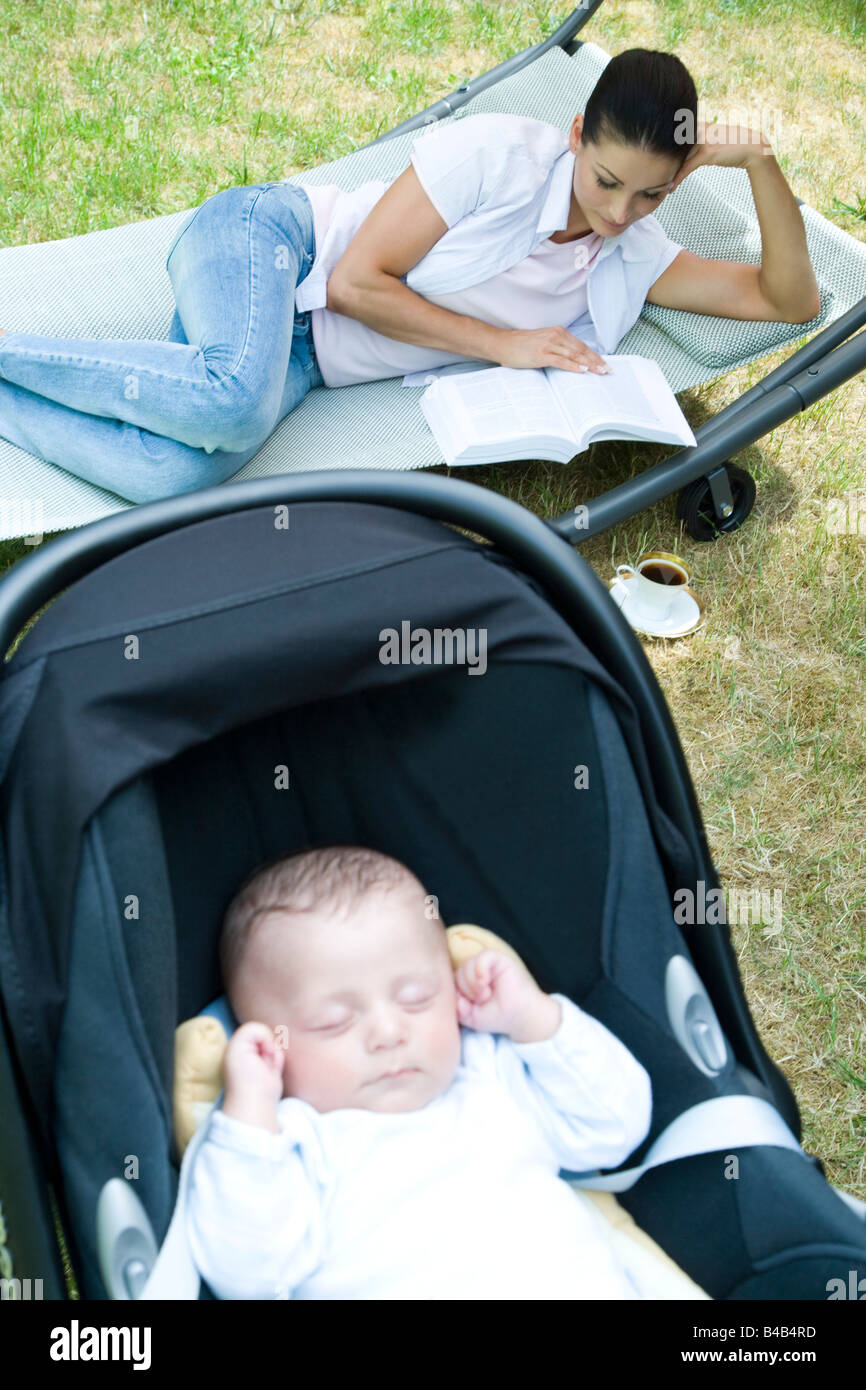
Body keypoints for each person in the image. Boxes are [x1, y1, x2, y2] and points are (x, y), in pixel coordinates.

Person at [0, 49, 819, 505]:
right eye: (606, 180)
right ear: (576, 134)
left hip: (308, 357)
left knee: (171, 475)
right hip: (275, 242)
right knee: (225, 402)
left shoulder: (634, 256)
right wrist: (504, 345)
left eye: (650, 194)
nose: (617, 211)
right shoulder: (496, 156)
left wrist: (759, 159)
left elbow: (791, 302)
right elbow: (356, 281)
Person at [182, 844, 706, 1300]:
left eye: (416, 998)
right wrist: (249, 1112)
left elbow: (617, 1125)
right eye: (333, 1021)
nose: (389, 1031)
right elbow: (247, 1273)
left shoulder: (491, 1074)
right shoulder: (292, 1150)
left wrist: (534, 1020)